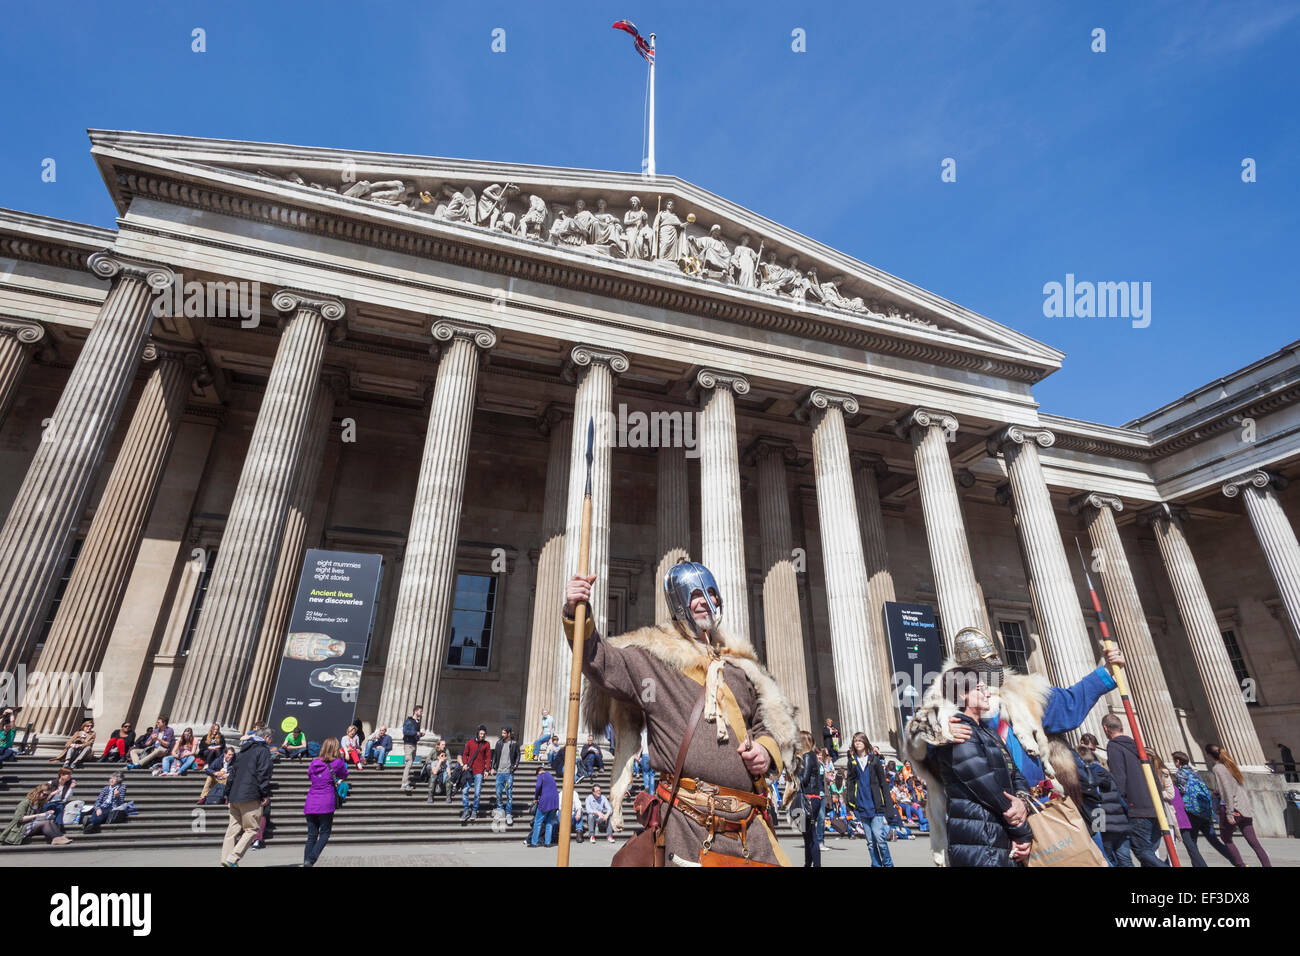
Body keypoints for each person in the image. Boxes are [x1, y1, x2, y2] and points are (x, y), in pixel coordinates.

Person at [565, 560, 797, 866]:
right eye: (693, 595)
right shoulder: (654, 659)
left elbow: (762, 726)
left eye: (709, 592)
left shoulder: (741, 667)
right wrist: (576, 611)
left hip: (748, 827)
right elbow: (600, 663)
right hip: (690, 824)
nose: (704, 601)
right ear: (678, 604)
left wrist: (765, 753)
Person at [907, 626, 1122, 865]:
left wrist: (1105, 672)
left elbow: (1068, 704)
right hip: (987, 820)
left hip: (1038, 806)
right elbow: (925, 748)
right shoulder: (944, 708)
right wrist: (940, 731)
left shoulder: (1021, 693)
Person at [932, 667, 1034, 867]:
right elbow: (986, 786)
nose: (988, 693)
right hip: (979, 839)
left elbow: (1015, 773)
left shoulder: (988, 732)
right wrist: (1021, 830)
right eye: (980, 688)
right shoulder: (959, 732)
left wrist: (1022, 801)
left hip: (997, 835)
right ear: (963, 695)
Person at [1100, 714, 1167, 867]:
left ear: (1106, 729)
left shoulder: (1114, 746)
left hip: (1137, 808)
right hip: (1156, 807)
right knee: (1149, 853)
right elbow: (1155, 779)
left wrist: (1122, 801)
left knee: (1142, 851)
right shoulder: (1137, 746)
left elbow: (1119, 780)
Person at [1206, 743, 1272, 867]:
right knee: (1254, 842)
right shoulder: (1231, 766)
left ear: (1209, 755)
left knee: (1226, 839)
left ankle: (1240, 865)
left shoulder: (1218, 768)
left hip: (1232, 808)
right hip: (1244, 809)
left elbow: (1226, 791)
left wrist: (1229, 812)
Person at [222, 727, 274, 867]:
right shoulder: (263, 751)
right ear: (266, 738)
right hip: (250, 796)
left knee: (232, 830)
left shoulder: (243, 751)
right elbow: (263, 774)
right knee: (252, 829)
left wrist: (227, 793)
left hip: (235, 795)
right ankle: (231, 859)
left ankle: (225, 860)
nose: (271, 742)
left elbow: (232, 774)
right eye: (270, 739)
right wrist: (264, 793)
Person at [1170, 751, 1232, 866]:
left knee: (1191, 843)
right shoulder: (1194, 773)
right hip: (1204, 811)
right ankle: (1236, 861)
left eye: (1174, 761)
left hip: (1192, 812)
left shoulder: (1180, 774)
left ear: (1178, 761)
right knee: (1214, 841)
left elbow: (1182, 791)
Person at [1075, 738, 1130, 866]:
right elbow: (1120, 798)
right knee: (1125, 859)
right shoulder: (1106, 773)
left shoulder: (1084, 775)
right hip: (1120, 820)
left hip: (1101, 821)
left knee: (1106, 858)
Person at [846, 732, 894, 867]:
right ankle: (876, 864)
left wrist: (888, 806)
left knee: (880, 839)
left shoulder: (874, 760)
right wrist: (849, 803)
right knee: (870, 842)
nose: (858, 743)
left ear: (865, 742)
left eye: (860, 740)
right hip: (862, 805)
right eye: (855, 741)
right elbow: (850, 783)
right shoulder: (852, 761)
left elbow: (883, 784)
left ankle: (889, 864)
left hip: (876, 805)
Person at [302, 736, 348, 867]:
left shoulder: (314, 762)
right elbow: (344, 774)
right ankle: (311, 859)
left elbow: (310, 776)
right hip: (326, 802)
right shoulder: (338, 762)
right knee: (325, 833)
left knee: (311, 835)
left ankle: (306, 862)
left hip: (311, 801)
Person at [2, 783, 71, 846]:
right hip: (20, 828)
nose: (45, 797)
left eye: (47, 795)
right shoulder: (25, 802)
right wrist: (38, 815)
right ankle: (56, 839)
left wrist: (47, 814)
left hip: (32, 825)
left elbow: (38, 818)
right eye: (44, 794)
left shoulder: (39, 803)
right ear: (38, 792)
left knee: (50, 821)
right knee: (46, 823)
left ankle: (60, 837)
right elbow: (19, 819)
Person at [795, 731, 822, 867]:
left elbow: (804, 779)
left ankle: (815, 864)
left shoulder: (807, 756)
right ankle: (808, 864)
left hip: (809, 799)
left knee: (811, 836)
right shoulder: (810, 756)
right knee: (807, 836)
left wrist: (792, 774)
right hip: (811, 798)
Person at [460, 725, 492, 821]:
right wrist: (465, 764)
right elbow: (465, 754)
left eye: (484, 734)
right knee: (465, 791)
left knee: (477, 793)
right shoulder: (470, 742)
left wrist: (487, 770)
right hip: (469, 770)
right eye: (481, 733)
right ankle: (466, 810)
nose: (482, 735)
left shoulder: (486, 744)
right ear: (477, 733)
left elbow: (488, 757)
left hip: (479, 771)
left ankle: (474, 810)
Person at [491, 726, 519, 826]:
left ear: (508, 733)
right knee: (498, 793)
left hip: (508, 773)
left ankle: (508, 813)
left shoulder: (514, 744)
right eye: (502, 733)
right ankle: (500, 811)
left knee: (509, 794)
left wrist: (515, 766)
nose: (502, 735)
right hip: (499, 772)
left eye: (504, 733)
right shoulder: (499, 743)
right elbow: (494, 756)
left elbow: (517, 755)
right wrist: (492, 767)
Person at [527, 766, 560, 847]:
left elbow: (538, 786)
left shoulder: (541, 775)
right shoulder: (551, 776)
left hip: (545, 801)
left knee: (537, 822)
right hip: (554, 801)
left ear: (538, 772)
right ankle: (547, 842)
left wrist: (535, 798)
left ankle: (534, 842)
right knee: (549, 822)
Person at [399, 706, 430, 791]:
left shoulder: (417, 722)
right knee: (409, 763)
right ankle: (404, 784)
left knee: (410, 763)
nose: (421, 713)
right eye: (420, 711)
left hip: (414, 744)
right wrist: (416, 733)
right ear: (415, 711)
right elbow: (405, 732)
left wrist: (420, 735)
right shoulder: (409, 721)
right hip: (408, 744)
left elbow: (416, 735)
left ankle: (405, 783)